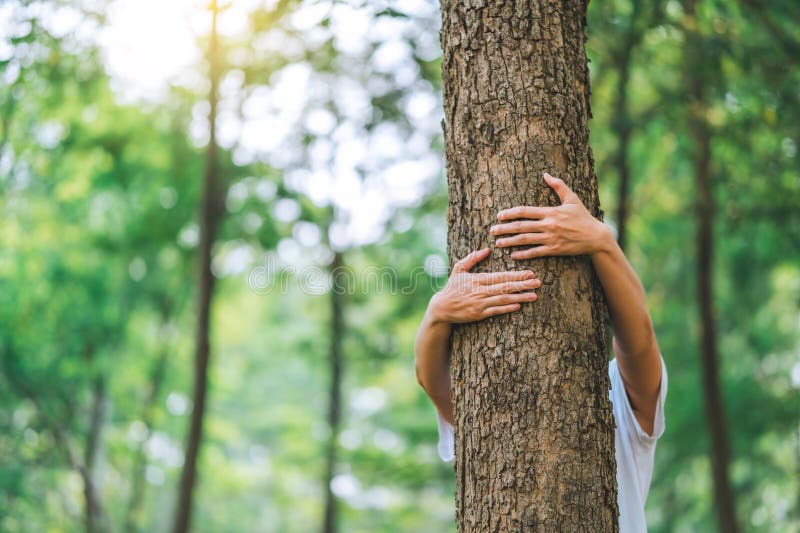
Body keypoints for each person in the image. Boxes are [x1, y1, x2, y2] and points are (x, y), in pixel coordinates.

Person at [414, 172, 667, 532]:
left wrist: (601, 242)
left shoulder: (617, 399)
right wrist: (437, 314)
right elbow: (436, 386)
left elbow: (639, 340)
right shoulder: (486, 398)